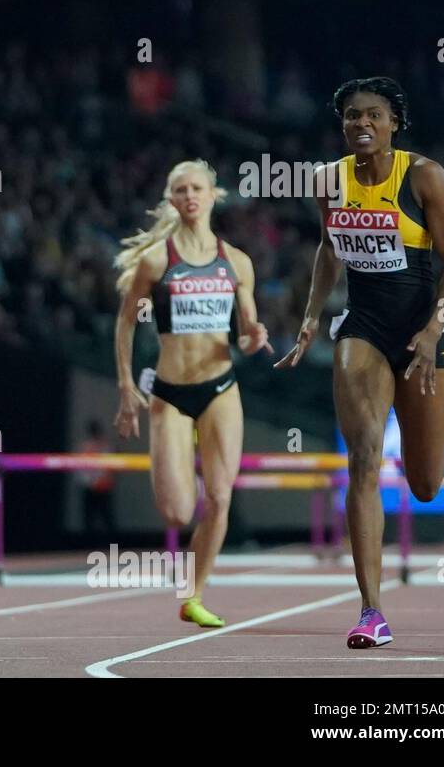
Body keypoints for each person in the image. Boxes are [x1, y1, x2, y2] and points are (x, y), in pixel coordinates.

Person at [275, 77, 444, 648]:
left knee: (426, 482)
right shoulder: (327, 180)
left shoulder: (424, 175)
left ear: (393, 124)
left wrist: (434, 327)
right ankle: (371, 612)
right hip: (362, 327)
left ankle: (424, 460)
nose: (361, 124)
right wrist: (312, 316)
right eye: (351, 116)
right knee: (362, 456)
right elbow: (329, 248)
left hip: (422, 325)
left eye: (373, 116)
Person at [113, 159, 272, 628]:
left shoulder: (236, 261)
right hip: (170, 393)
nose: (189, 196)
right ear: (171, 199)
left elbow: (245, 333)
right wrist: (126, 384)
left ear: (212, 194)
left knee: (220, 498)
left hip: (221, 387)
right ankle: (180, 470)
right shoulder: (157, 260)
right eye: (179, 190)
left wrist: (254, 338)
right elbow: (125, 323)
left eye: (196, 188)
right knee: (178, 510)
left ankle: (194, 595)